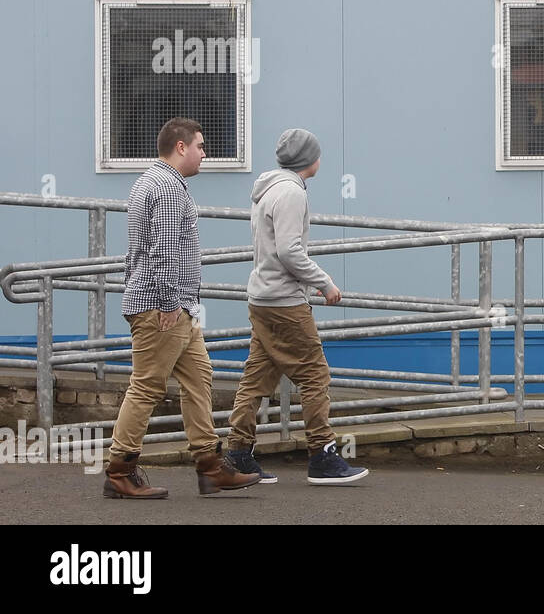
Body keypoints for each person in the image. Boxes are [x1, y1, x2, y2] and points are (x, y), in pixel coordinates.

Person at [104, 117, 262, 498]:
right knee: (146, 387)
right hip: (166, 307)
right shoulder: (170, 189)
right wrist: (169, 301)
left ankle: (210, 466)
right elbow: (164, 251)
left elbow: (136, 251)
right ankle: (119, 472)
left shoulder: (146, 181)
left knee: (199, 377)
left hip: (173, 305)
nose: (204, 154)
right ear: (180, 147)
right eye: (200, 146)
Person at [224, 128, 368, 485]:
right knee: (315, 375)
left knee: (257, 377)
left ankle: (238, 454)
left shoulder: (268, 189)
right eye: (319, 154)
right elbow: (290, 251)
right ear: (309, 159)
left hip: (262, 299)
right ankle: (322, 455)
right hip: (286, 301)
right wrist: (324, 282)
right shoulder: (291, 193)